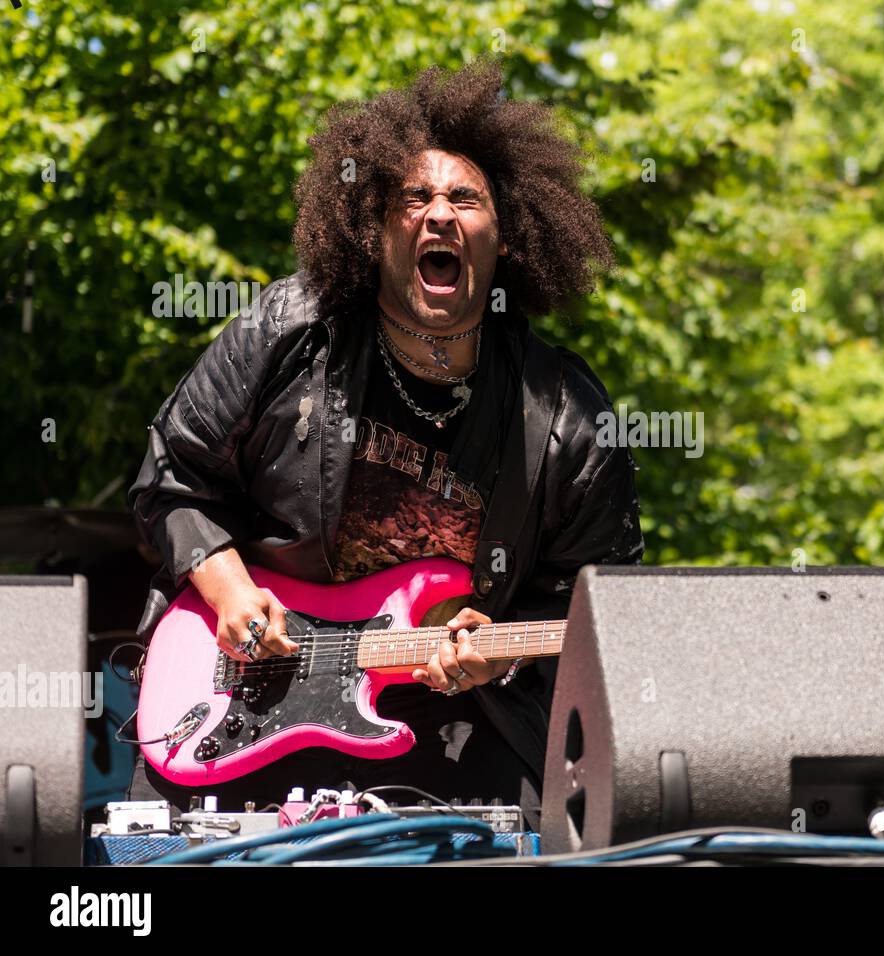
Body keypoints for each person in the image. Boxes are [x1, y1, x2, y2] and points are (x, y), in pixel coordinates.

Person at [126, 61, 644, 826]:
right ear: (374, 232)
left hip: (464, 726)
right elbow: (171, 477)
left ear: (509, 239)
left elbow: (602, 597)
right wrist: (231, 591)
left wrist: (501, 648)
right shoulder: (287, 334)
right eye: (416, 198)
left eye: (466, 199)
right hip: (248, 691)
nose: (440, 213)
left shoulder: (565, 413)